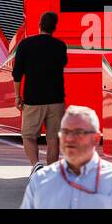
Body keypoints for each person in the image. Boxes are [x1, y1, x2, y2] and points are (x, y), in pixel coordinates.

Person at [20, 106, 112, 209]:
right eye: (65, 132)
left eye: (78, 132)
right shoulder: (41, 180)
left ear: (96, 138)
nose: (70, 139)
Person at [11, 10, 68, 170]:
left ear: (39, 25)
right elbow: (62, 64)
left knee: (28, 136)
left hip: (33, 100)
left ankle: (36, 165)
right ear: (54, 28)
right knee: (53, 139)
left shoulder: (26, 45)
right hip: (56, 100)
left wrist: (17, 96)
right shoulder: (60, 46)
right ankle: (51, 172)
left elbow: (17, 74)